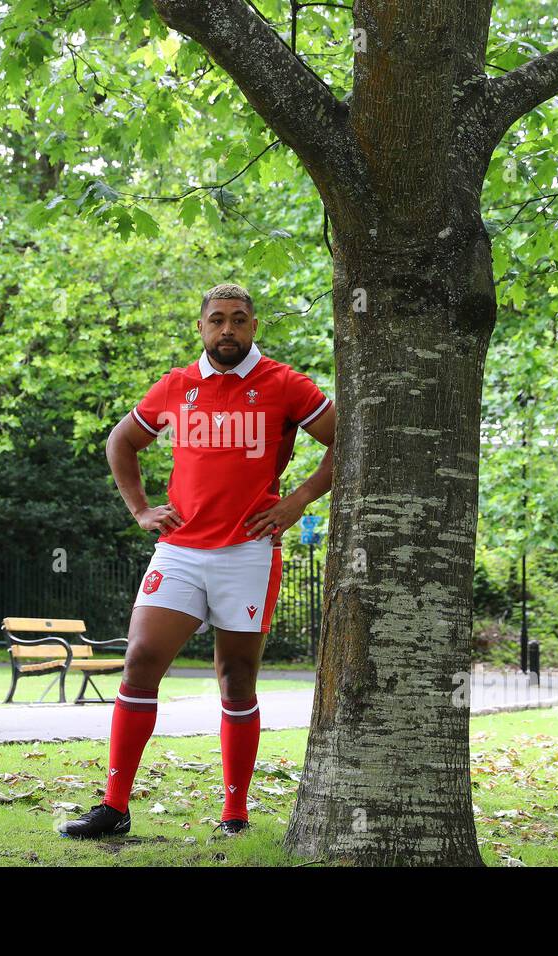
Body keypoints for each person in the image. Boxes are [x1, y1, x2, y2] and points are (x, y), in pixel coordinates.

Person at [59, 282, 335, 839]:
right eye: (216, 320)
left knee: (236, 679)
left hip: (249, 551)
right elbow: (121, 442)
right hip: (180, 551)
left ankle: (235, 813)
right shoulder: (176, 386)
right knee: (139, 662)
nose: (227, 330)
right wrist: (140, 509)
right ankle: (114, 808)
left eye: (238, 319)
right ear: (203, 326)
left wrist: (296, 501)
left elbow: (347, 438)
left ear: (253, 326)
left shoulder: (284, 384)